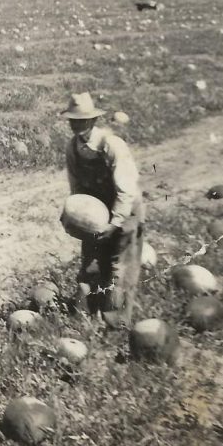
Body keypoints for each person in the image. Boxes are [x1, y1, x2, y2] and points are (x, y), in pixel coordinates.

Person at [62, 92, 144, 325]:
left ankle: (115, 322)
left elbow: (126, 190)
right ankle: (87, 315)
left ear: (93, 120)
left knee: (120, 265)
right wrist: (74, 216)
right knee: (92, 263)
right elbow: (76, 187)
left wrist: (115, 222)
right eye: (73, 120)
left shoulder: (112, 145)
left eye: (81, 120)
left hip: (124, 208)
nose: (76, 124)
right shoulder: (73, 148)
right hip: (96, 211)